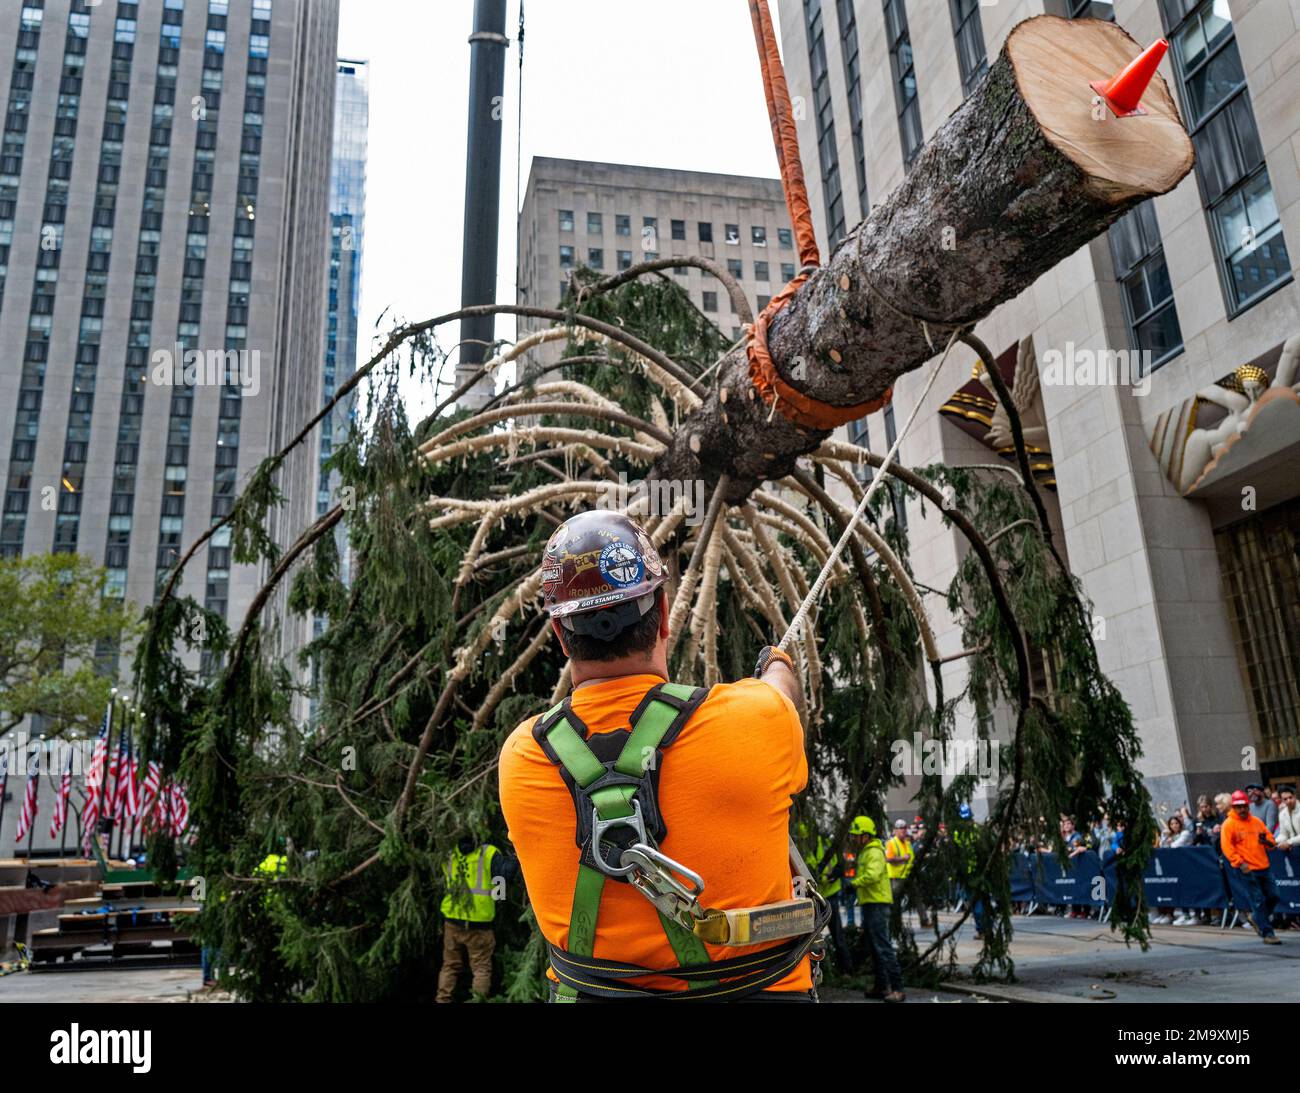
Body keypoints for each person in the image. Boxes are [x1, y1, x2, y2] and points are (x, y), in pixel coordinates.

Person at [498, 511, 816, 1001]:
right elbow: (782, 694)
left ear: (561, 638)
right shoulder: (758, 716)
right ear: (664, 614)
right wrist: (778, 662)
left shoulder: (522, 757)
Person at [436, 835, 511, 1002]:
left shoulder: (449, 854)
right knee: (481, 969)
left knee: (449, 966)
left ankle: (442, 999)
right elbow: (505, 875)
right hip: (480, 924)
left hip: (452, 920)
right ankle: (478, 1000)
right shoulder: (489, 853)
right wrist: (516, 857)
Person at [848, 816, 904, 1003]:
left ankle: (898, 989)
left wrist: (853, 884)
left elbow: (871, 875)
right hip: (870, 903)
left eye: (857, 836)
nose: (854, 839)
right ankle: (881, 987)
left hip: (877, 904)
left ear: (865, 835)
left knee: (883, 947)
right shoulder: (867, 851)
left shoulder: (874, 852)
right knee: (875, 947)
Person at [1220, 789, 1281, 945]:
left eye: (1244, 806)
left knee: (1274, 895)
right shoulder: (1229, 824)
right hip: (1247, 868)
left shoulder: (1256, 822)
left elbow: (1269, 839)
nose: (1242, 810)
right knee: (1258, 900)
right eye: (1238, 807)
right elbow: (1227, 848)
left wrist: (1269, 842)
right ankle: (1268, 933)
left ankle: (1256, 917)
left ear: (1248, 806)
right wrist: (1240, 863)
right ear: (1233, 807)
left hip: (1263, 865)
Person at [1275, 785, 1299, 850]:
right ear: (1282, 800)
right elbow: (1283, 834)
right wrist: (1275, 842)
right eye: (1285, 799)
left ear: (1295, 796)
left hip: (1293, 844)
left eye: (1290, 797)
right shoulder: (1282, 814)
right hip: (1294, 848)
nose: (1288, 801)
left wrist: (1289, 842)